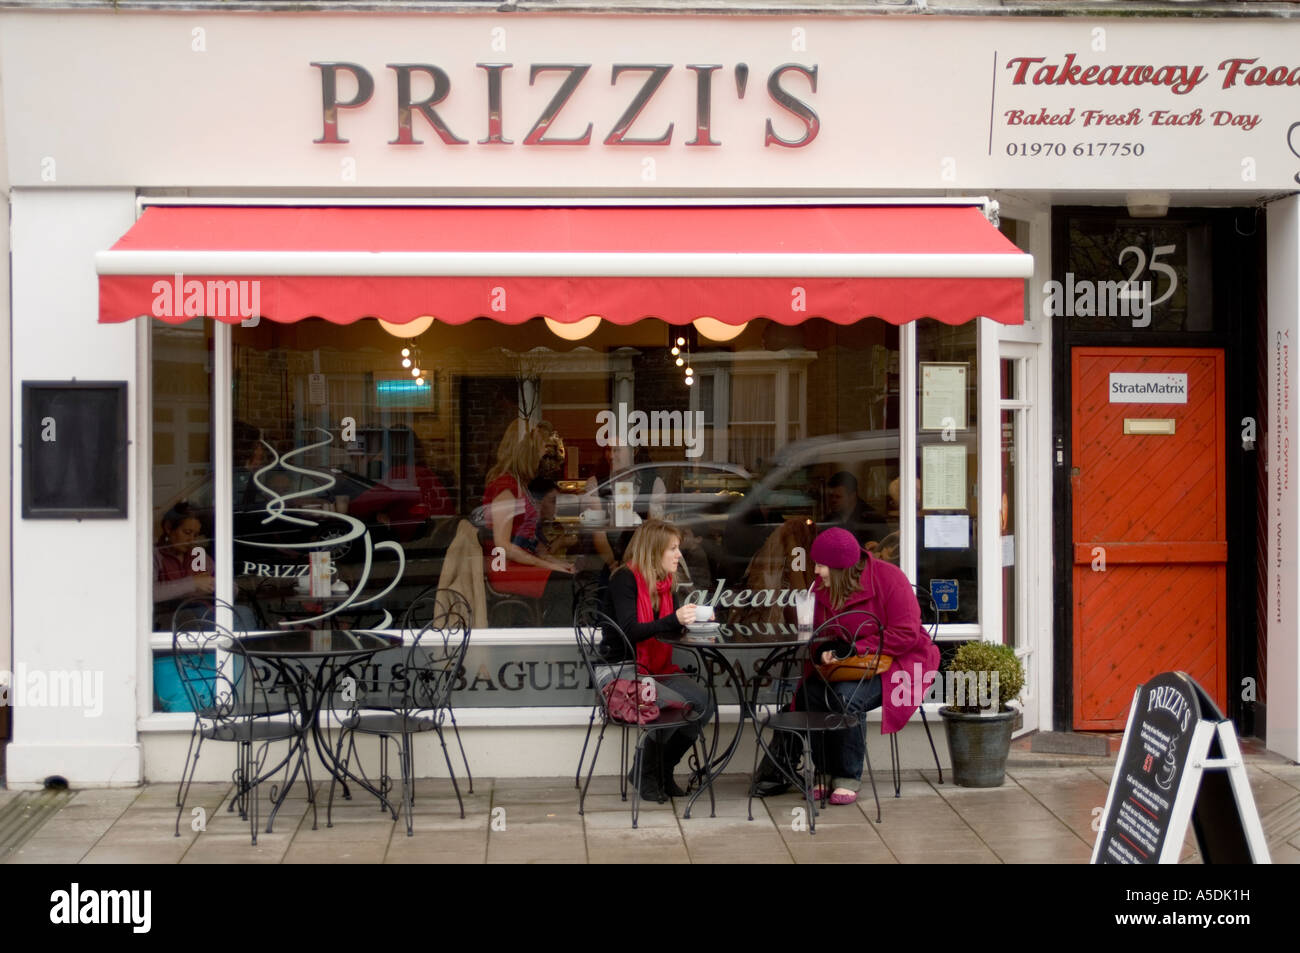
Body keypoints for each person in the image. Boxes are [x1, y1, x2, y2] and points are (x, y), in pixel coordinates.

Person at [753, 526, 939, 804]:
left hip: (899, 665)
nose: (815, 571)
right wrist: (824, 651)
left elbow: (907, 634)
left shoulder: (890, 578)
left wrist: (854, 648)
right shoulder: (822, 588)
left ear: (840, 567)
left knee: (845, 697)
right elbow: (819, 634)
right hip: (848, 666)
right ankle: (823, 773)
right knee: (810, 694)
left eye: (821, 565)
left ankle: (847, 776)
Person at [600, 518, 716, 803]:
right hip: (621, 671)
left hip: (654, 668)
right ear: (654, 551)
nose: (679, 554)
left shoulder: (665, 584)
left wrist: (694, 620)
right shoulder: (624, 579)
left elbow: (667, 628)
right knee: (673, 706)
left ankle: (663, 769)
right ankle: (644, 771)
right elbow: (630, 632)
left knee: (703, 704)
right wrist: (672, 620)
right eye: (673, 548)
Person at [482, 420, 575, 625]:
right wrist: (546, 566)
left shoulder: (519, 484)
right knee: (562, 585)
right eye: (543, 452)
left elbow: (530, 541)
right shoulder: (506, 486)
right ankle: (555, 648)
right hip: (505, 567)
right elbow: (504, 545)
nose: (545, 459)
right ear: (527, 452)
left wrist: (556, 563)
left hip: (519, 562)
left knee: (570, 576)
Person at [826, 470, 889, 547]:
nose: (833, 500)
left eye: (838, 497)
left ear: (852, 496)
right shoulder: (829, 519)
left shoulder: (873, 519)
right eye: (831, 496)